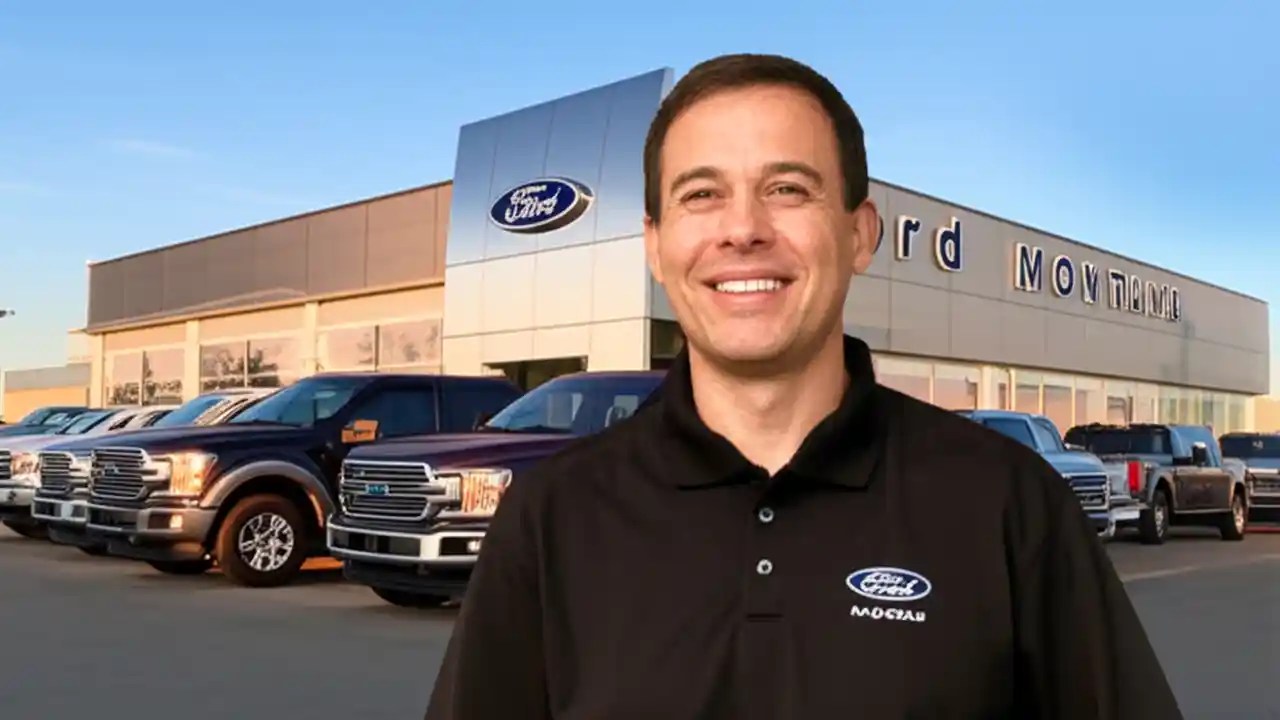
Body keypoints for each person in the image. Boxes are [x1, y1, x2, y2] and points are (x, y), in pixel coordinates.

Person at [424, 53, 1183, 719]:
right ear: (654, 246)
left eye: (787, 188)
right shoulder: (553, 519)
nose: (743, 228)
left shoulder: (1008, 504)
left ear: (859, 234)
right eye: (701, 194)